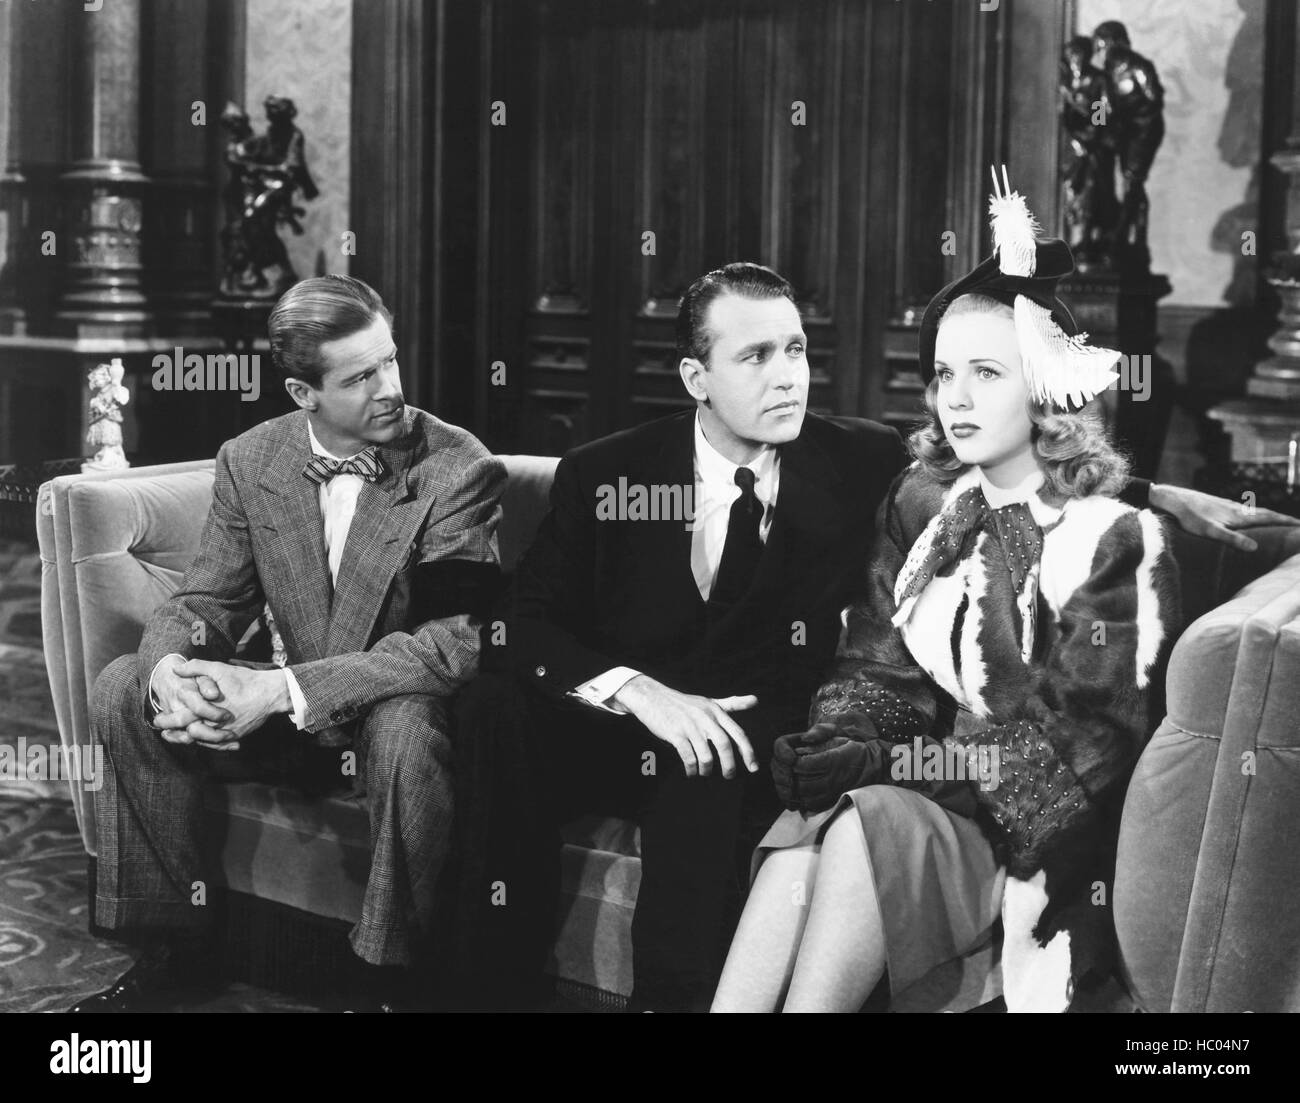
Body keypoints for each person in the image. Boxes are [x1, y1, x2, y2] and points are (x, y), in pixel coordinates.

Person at [450, 257, 1284, 1013]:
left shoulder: (886, 470)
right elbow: (873, 663)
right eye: (756, 358)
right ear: (694, 377)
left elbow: (1067, 747)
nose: (789, 379)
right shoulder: (910, 500)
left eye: (797, 351)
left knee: (812, 804)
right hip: (688, 733)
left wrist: (1165, 497)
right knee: (504, 711)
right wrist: (678, 700)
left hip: (921, 791)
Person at [712, 176, 1183, 1013]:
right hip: (930, 800)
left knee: (861, 821)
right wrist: (845, 737)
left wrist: (895, 766)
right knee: (823, 820)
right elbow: (875, 665)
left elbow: (1073, 766)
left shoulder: (1114, 541)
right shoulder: (925, 503)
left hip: (1041, 838)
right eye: (942, 375)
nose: (955, 398)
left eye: (987, 373)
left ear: (1045, 387)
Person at [72, 275, 506, 1013]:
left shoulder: (457, 466)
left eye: (391, 360)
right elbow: (208, 597)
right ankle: (173, 946)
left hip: (380, 713)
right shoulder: (252, 457)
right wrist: (172, 670)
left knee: (407, 727)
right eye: (361, 375)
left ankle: (388, 981)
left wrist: (278, 689)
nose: (390, 387)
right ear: (304, 394)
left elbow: (453, 644)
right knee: (123, 683)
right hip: (281, 714)